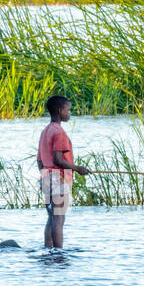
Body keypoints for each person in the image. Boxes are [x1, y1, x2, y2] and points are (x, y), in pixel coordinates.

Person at [37, 95, 92, 249]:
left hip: (46, 178)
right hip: (58, 179)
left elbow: (40, 160)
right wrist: (78, 168)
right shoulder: (59, 132)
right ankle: (59, 253)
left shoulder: (45, 131)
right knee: (59, 219)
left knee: (51, 218)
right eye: (68, 110)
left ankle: (49, 250)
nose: (69, 113)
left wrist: (44, 177)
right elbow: (58, 159)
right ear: (60, 111)